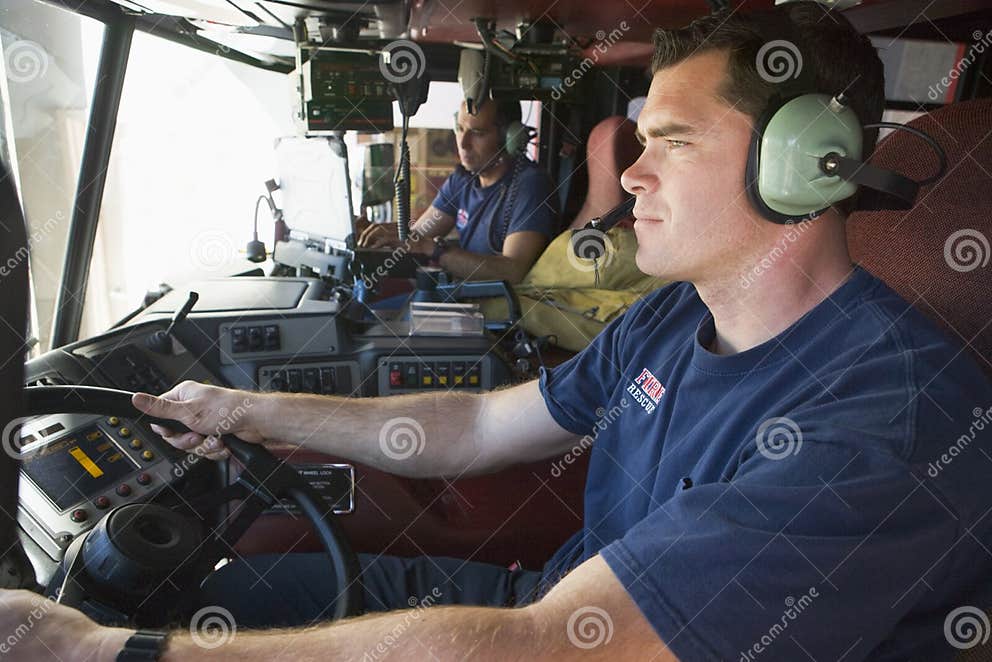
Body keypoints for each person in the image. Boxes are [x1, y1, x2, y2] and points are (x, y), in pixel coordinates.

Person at [4, 4, 991, 660]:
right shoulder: (674, 313)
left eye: (672, 142)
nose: (631, 175)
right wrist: (250, 410)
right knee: (240, 589)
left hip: (565, 637)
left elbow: (554, 648)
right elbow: (478, 426)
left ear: (807, 164)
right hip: (550, 603)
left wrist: (98, 653)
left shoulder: (889, 424)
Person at [357, 97, 558, 284]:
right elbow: (418, 236)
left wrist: (433, 249)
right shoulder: (463, 180)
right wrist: (376, 235)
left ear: (510, 137)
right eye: (460, 129)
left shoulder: (531, 186)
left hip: (504, 305)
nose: (463, 143)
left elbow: (513, 271)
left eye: (478, 133)